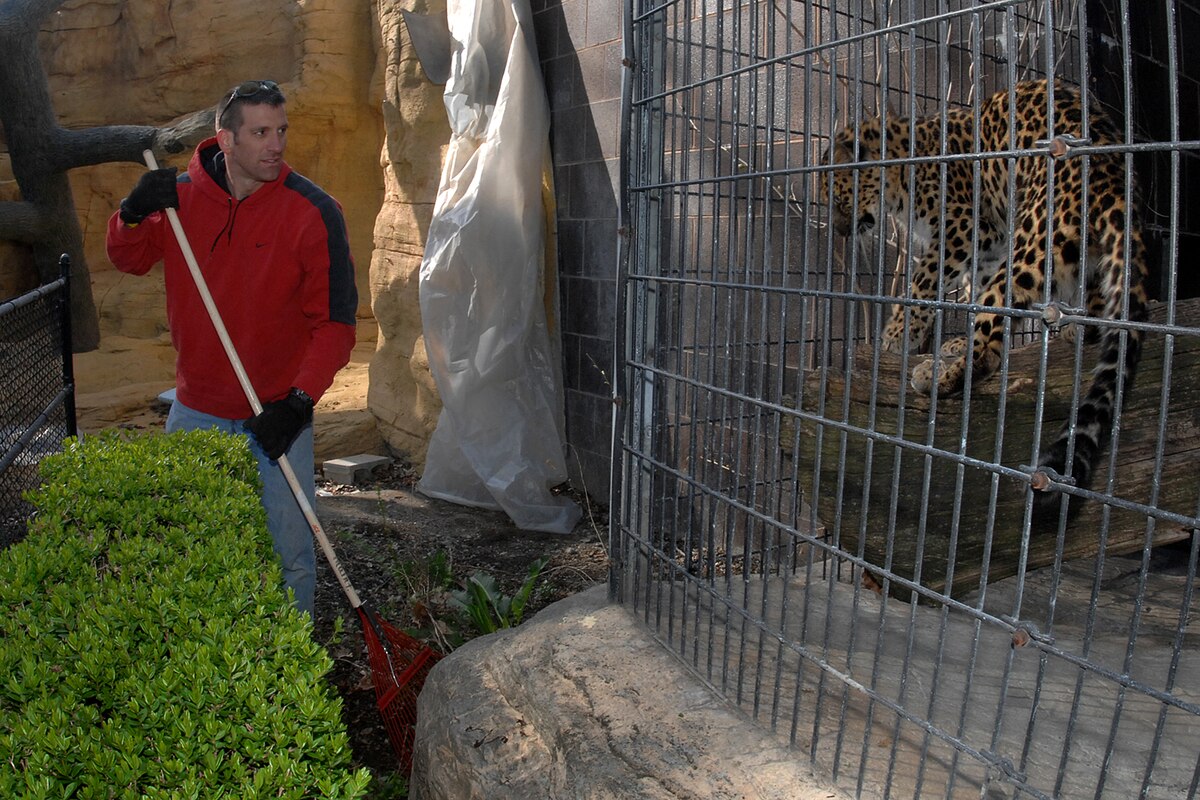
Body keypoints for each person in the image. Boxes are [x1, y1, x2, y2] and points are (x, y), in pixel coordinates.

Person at [106, 80, 358, 619]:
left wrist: (297, 403)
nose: (276, 145)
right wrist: (130, 212)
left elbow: (335, 326)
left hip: (277, 416)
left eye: (281, 130)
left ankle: (292, 679)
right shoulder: (178, 201)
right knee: (188, 547)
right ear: (225, 138)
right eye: (261, 132)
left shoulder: (315, 211)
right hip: (195, 410)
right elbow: (126, 257)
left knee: (290, 555)